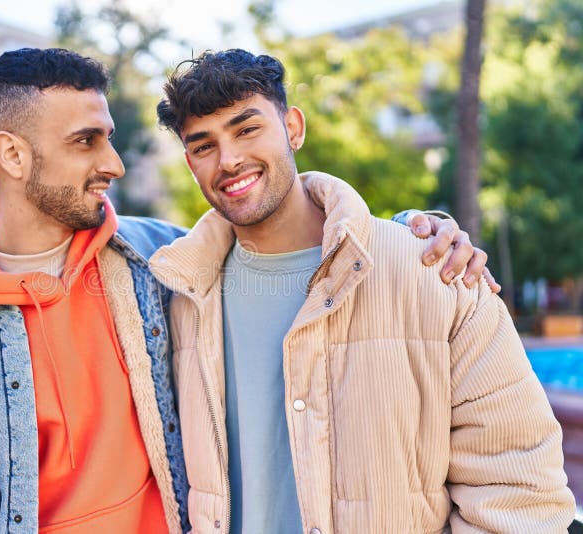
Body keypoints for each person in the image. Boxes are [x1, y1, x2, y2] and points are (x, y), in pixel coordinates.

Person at [0, 48, 491, 533]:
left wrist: (415, 230)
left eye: (110, 139)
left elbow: (291, 232)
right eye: (86, 141)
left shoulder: (162, 261)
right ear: (12, 155)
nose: (114, 165)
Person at [149, 49, 576, 533]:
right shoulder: (179, 298)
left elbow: (518, 490)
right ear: (189, 162)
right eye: (204, 146)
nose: (229, 159)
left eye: (247, 129)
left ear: (293, 127)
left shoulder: (435, 272)